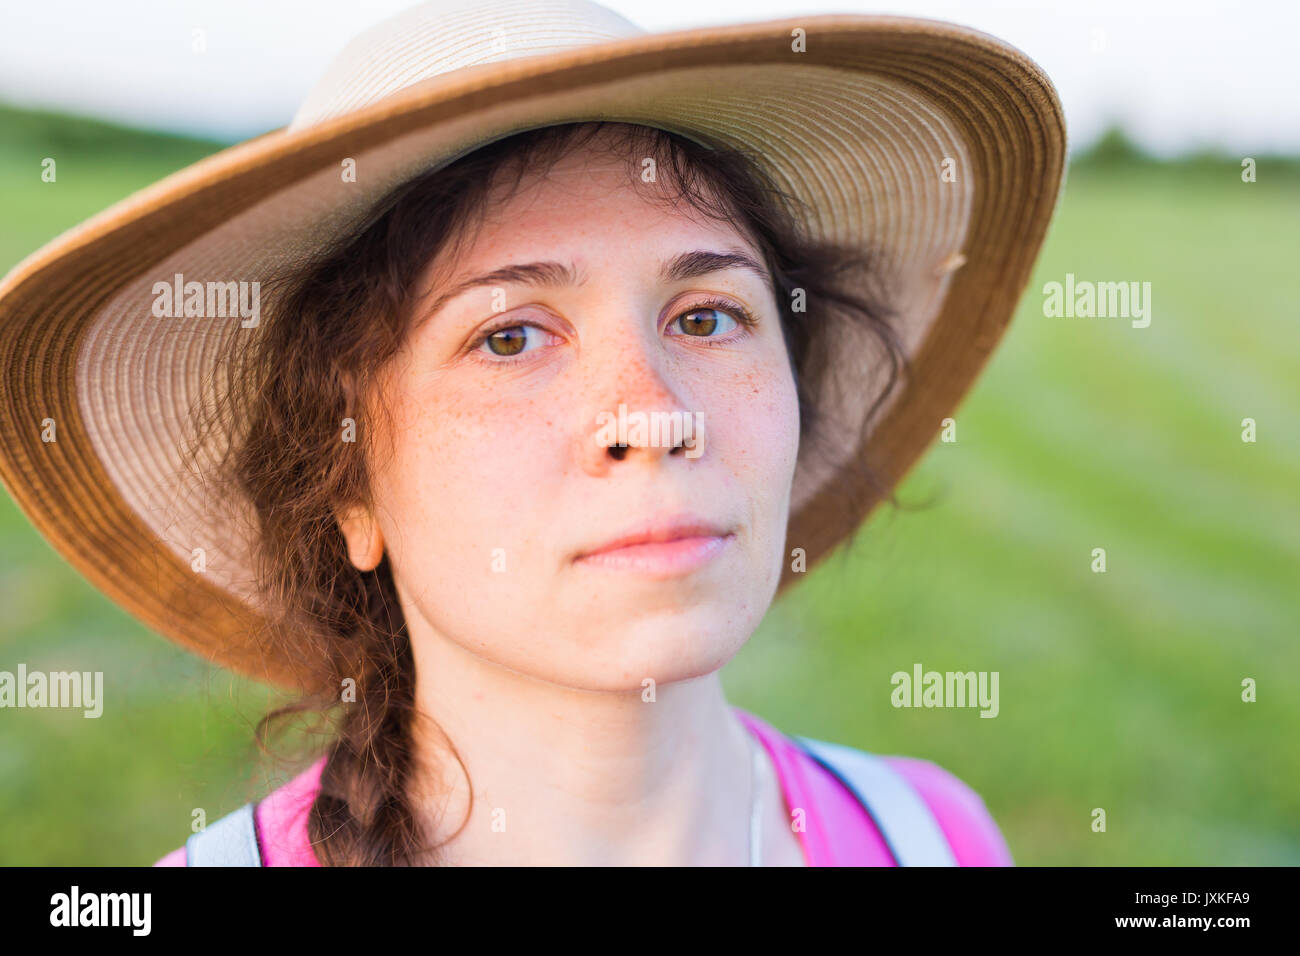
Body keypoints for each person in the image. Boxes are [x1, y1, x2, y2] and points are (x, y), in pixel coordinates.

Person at [0, 0, 1066, 866]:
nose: (652, 412)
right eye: (508, 335)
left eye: (707, 316)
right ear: (346, 485)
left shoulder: (929, 835)